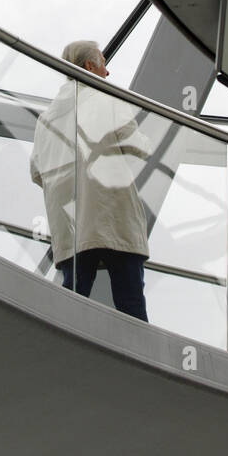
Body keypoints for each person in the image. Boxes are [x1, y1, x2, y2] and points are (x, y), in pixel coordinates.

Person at [31, 40, 151, 321]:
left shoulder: (45, 119)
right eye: (103, 64)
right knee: (130, 302)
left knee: (72, 301)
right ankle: (136, 360)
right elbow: (138, 147)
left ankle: (64, 355)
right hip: (110, 212)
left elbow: (37, 173)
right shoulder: (107, 99)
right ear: (89, 66)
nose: (107, 74)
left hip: (70, 222)